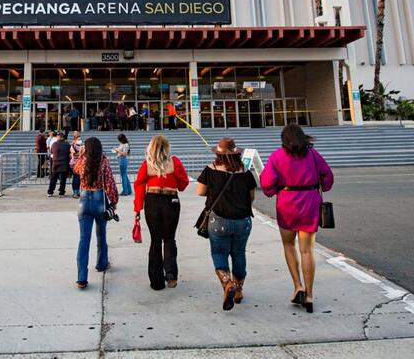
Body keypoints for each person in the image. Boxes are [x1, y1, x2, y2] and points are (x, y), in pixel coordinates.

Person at [259, 124, 334, 314]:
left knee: (288, 245)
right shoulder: (312, 154)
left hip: (287, 202)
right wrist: (321, 186)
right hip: (309, 201)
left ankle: (297, 286)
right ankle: (309, 295)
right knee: (307, 250)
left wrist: (274, 190)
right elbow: (327, 175)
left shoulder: (277, 156)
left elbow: (267, 183)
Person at [196, 137, 257, 310]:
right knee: (239, 253)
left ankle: (227, 283)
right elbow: (251, 196)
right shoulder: (245, 171)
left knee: (219, 252)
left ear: (218, 154)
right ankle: (238, 290)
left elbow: (200, 191)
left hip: (218, 219)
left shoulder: (211, 169)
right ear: (237, 154)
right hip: (242, 220)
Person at [133, 135, 189, 290]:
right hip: (171, 201)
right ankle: (171, 273)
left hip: (152, 201)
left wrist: (138, 208)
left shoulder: (147, 164)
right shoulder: (174, 162)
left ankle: (156, 281)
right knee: (170, 238)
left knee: (155, 241)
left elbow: (138, 186)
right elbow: (184, 183)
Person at [72, 137, 118, 289]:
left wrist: (81, 154)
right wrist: (114, 202)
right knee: (101, 234)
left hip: (84, 199)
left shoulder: (83, 161)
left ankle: (81, 278)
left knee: (83, 239)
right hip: (99, 199)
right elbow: (110, 183)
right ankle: (101, 263)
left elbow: (75, 169)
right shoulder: (103, 161)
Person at [69, 131, 84, 198]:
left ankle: (77, 192)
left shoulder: (80, 145)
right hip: (75, 163)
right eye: (78, 139)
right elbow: (74, 154)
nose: (80, 140)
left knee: (78, 178)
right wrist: (81, 153)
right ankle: (75, 192)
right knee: (76, 178)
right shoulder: (73, 145)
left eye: (80, 139)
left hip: (79, 163)